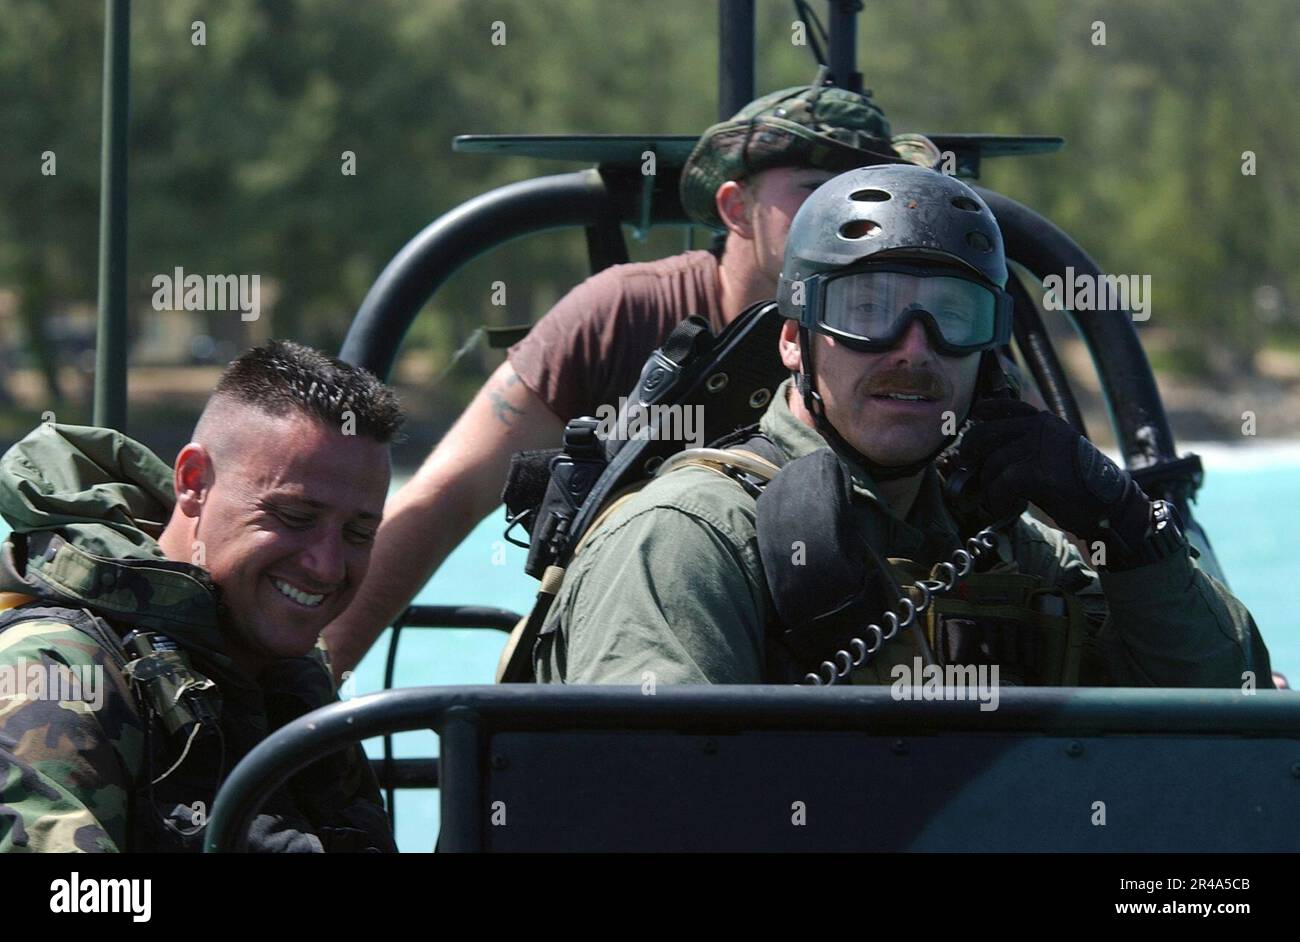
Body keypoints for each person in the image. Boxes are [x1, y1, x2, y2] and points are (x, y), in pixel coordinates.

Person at [532, 164, 1271, 688]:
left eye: (952, 316)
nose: (913, 349)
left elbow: (1227, 704)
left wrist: (1128, 529)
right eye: (867, 309)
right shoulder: (688, 537)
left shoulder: (1011, 547)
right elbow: (644, 801)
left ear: (989, 349)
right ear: (794, 337)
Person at [321, 81, 943, 678]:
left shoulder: (931, 341)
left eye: (868, 194)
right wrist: (306, 694)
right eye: (815, 190)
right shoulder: (623, 316)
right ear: (736, 208)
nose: (850, 218)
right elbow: (443, 500)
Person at [0, 340, 402, 852]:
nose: (326, 566)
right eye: (294, 518)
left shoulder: (287, 675)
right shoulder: (54, 675)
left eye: (358, 534)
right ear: (193, 482)